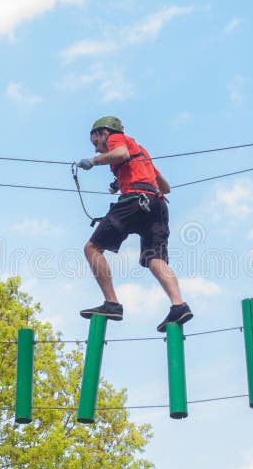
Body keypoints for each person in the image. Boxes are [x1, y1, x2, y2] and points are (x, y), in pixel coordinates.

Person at [76, 116, 193, 333]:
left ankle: (112, 303)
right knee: (155, 260)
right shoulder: (142, 153)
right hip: (157, 205)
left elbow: (120, 153)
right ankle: (179, 305)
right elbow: (165, 187)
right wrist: (122, 177)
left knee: (92, 248)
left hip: (135, 202)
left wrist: (93, 161)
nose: (98, 149)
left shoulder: (117, 138)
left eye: (96, 143)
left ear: (104, 133)